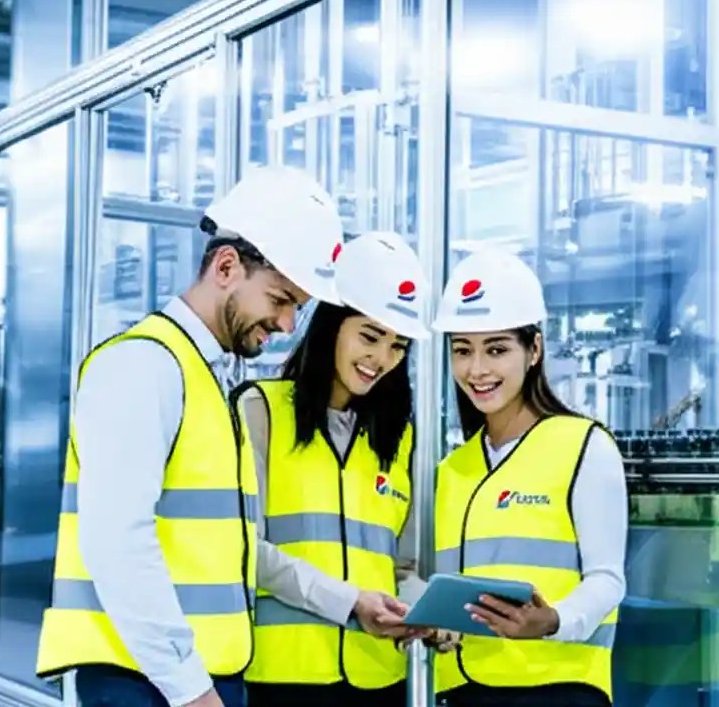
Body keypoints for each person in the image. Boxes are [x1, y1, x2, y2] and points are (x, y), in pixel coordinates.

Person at [35, 165, 346, 707]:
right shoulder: (142, 366)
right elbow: (118, 545)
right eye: (280, 299)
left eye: (298, 305)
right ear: (226, 266)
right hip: (145, 683)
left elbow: (230, 550)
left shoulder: (207, 379)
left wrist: (349, 603)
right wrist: (191, 691)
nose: (288, 324)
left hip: (196, 679)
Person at [235, 232, 430, 706]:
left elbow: (399, 566)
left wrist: (423, 606)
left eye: (398, 346)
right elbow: (243, 548)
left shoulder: (399, 436)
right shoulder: (260, 412)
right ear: (331, 327)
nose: (381, 359)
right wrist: (348, 602)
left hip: (378, 676)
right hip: (284, 676)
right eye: (369, 336)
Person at [428, 250, 628, 707]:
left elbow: (607, 578)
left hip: (558, 690)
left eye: (496, 349)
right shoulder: (451, 470)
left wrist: (555, 620)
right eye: (462, 350)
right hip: (461, 693)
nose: (477, 370)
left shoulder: (585, 447)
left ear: (534, 349)